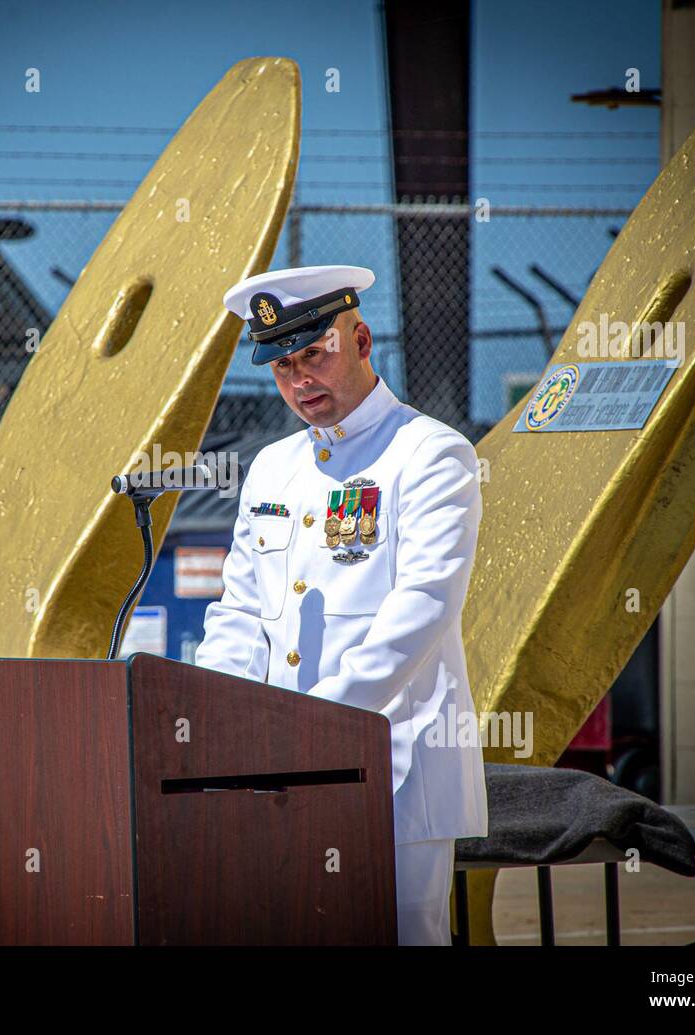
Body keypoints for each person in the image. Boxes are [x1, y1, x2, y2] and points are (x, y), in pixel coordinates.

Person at [193, 264, 488, 945]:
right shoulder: (272, 467)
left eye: (315, 355)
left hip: (397, 771)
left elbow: (422, 606)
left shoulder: (432, 453)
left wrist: (316, 724)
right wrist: (212, 717)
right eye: (282, 366)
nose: (300, 381)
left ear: (361, 339)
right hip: (276, 770)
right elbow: (239, 611)